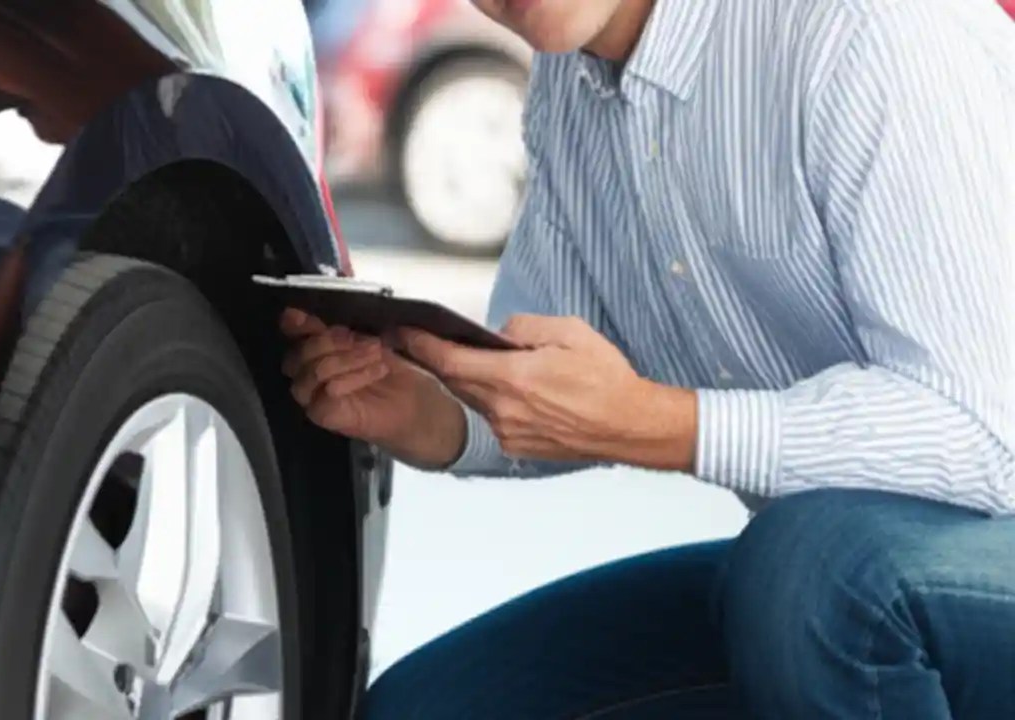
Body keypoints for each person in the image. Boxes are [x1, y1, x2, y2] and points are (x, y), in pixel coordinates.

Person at [280, 0, 1015, 717]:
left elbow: (984, 432)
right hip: (825, 589)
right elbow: (559, 378)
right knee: (426, 710)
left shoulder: (867, 30)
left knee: (816, 570)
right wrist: (429, 414)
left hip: (919, 558)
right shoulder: (569, 85)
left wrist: (657, 424)